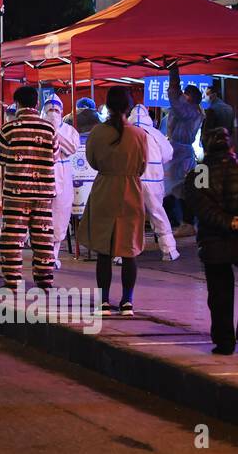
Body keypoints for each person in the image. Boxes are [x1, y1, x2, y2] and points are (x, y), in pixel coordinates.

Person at [186, 123, 238, 355]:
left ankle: (224, 341)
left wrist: (227, 222)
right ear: (231, 146)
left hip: (215, 242)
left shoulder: (200, 173)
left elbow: (201, 206)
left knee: (219, 293)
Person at [77, 87, 147, 314]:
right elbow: (142, 166)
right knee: (129, 250)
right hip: (131, 191)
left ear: (107, 106)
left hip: (104, 189)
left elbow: (93, 161)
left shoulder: (97, 133)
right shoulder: (139, 134)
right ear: (129, 106)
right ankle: (127, 301)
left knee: (104, 250)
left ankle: (103, 301)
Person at [0, 87, 58, 289]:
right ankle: (45, 280)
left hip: (15, 193)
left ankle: (12, 280)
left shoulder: (8, 129)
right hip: (43, 193)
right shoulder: (49, 129)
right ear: (37, 104)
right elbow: (54, 156)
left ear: (17, 104)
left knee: (12, 239)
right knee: (43, 238)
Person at [129, 102, 180, 261]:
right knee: (157, 213)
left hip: (131, 179)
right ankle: (169, 250)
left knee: (131, 215)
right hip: (153, 179)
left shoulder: (125, 133)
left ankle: (128, 251)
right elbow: (168, 154)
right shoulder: (155, 133)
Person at [164, 63, 205, 238]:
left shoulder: (188, 111)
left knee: (175, 188)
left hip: (179, 154)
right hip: (179, 153)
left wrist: (174, 74)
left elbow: (174, 96)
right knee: (180, 189)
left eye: (184, 96)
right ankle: (185, 222)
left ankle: (185, 223)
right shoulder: (193, 111)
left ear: (188, 98)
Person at [41, 94, 80, 267]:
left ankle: (53, 255)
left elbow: (72, 148)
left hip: (63, 177)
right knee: (42, 216)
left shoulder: (69, 130)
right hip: (42, 176)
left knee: (60, 215)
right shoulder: (37, 128)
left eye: (57, 110)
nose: (53, 113)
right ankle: (43, 254)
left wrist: (55, 131)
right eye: (50, 109)